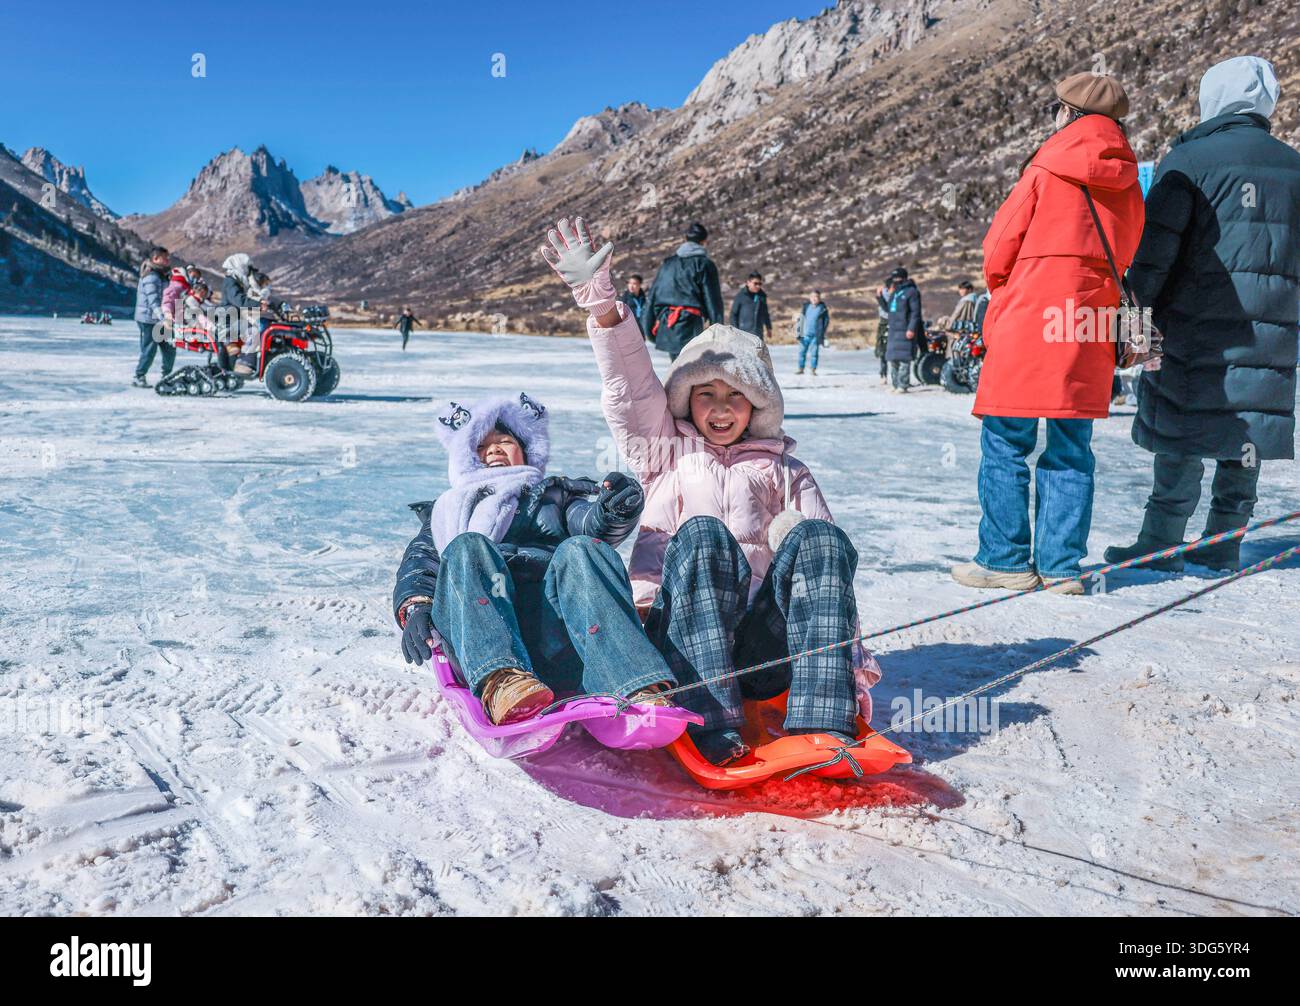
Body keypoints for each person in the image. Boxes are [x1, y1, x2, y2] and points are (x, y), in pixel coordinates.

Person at [540, 216, 880, 767]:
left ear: (758, 405)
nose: (720, 409)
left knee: (819, 537)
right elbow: (629, 387)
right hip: (684, 644)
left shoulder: (787, 471)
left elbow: (830, 581)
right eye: (706, 394)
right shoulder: (664, 451)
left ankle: (824, 718)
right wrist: (603, 306)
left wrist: (853, 669)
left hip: (761, 651)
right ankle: (711, 722)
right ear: (685, 398)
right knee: (702, 534)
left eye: (736, 396)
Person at [950, 72, 1145, 593]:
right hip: (1089, 321)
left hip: (1031, 317)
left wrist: (1010, 287)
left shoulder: (1046, 166)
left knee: (1006, 441)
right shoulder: (1129, 181)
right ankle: (1061, 569)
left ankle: (1005, 561)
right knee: (1072, 445)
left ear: (1068, 114)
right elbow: (1127, 253)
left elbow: (999, 246)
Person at [1106, 56, 1300, 573]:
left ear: (1212, 97)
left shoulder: (1189, 160)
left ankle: (1160, 542)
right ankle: (1223, 542)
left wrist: (1134, 315)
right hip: (1274, 331)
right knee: (1248, 432)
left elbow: (1154, 254)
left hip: (1192, 324)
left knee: (1180, 428)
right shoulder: (1294, 165)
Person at [392, 392, 678, 725]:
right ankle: (501, 682)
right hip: (479, 630)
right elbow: (421, 564)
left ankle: (635, 685)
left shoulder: (554, 497)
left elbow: (591, 524)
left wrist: (614, 508)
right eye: (482, 447)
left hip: (555, 629)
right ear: (465, 459)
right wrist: (415, 607)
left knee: (583, 547)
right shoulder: (445, 512)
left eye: (504, 441)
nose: (494, 449)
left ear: (526, 450)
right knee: (467, 546)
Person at [643, 222, 724, 360]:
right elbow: (713, 300)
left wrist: (648, 327)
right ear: (704, 241)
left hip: (667, 324)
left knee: (677, 369)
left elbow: (652, 296)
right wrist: (717, 331)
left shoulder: (668, 264)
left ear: (685, 239)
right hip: (690, 325)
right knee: (691, 371)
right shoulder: (705, 264)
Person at [132, 246, 173, 387]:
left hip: (161, 320)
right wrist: (163, 318)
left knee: (170, 347)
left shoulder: (162, 275)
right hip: (149, 319)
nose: (168, 260)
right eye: (165, 257)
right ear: (155, 258)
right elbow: (153, 300)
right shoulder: (151, 276)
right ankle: (139, 376)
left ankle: (167, 376)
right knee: (149, 348)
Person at [220, 254, 265, 375]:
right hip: (228, 320)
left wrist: (261, 300)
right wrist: (258, 304)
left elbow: (249, 295)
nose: (247, 270)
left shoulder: (238, 281)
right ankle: (244, 362)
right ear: (239, 266)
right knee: (254, 331)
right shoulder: (230, 282)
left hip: (236, 318)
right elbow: (239, 300)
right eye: (246, 267)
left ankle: (248, 360)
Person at [883, 267, 921, 393]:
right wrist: (880, 297)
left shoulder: (912, 292)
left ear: (903, 278)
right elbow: (888, 309)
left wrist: (911, 328)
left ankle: (903, 385)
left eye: (897, 278)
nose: (895, 280)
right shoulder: (895, 292)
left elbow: (915, 312)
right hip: (894, 330)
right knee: (892, 358)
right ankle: (895, 384)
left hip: (905, 329)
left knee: (904, 358)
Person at [729, 272, 773, 340]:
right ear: (748, 283)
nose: (758, 286)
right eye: (755, 283)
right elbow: (733, 314)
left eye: (760, 284)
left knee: (758, 350)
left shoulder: (762, 296)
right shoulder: (740, 296)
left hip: (758, 334)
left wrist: (769, 328)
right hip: (743, 334)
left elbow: (765, 313)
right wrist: (735, 330)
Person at [795, 290, 830, 375]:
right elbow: (801, 319)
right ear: (810, 298)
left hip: (815, 336)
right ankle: (801, 368)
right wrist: (799, 333)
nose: (814, 298)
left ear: (819, 298)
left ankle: (813, 369)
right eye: (813, 296)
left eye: (816, 297)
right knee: (802, 352)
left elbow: (826, 321)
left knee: (814, 353)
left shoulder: (822, 308)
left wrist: (822, 333)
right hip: (805, 335)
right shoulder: (806, 307)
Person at [874, 277, 891, 385]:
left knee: (885, 349)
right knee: (882, 349)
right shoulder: (885, 292)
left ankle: (885, 374)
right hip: (884, 321)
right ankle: (883, 374)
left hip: (891, 321)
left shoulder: (894, 294)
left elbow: (886, 308)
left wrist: (879, 297)